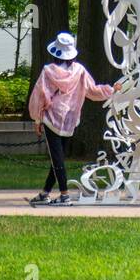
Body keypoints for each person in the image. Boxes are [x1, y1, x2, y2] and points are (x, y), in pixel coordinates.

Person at [26, 32, 121, 206]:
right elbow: (93, 91)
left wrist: (37, 120)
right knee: (58, 157)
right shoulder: (79, 71)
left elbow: (39, 97)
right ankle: (45, 193)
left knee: (57, 158)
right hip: (69, 119)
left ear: (55, 51)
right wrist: (111, 90)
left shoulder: (48, 71)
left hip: (51, 118)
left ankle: (64, 195)